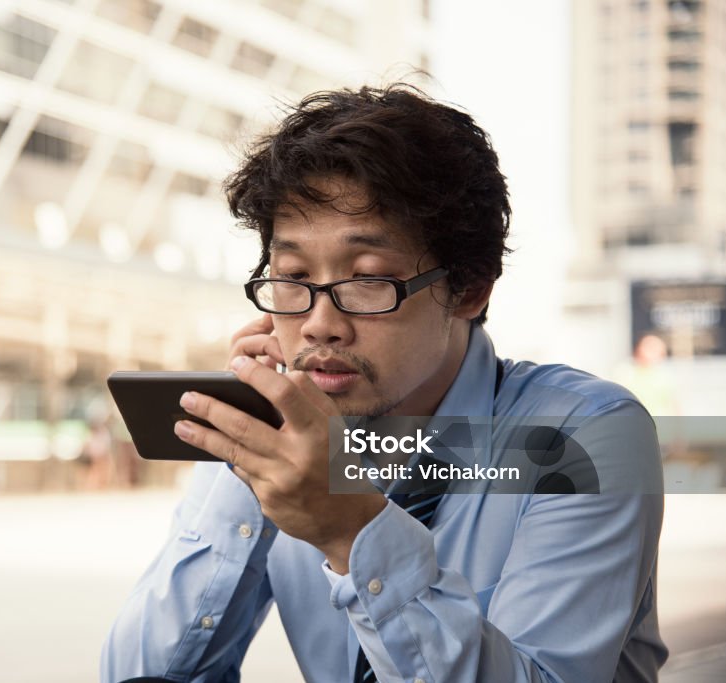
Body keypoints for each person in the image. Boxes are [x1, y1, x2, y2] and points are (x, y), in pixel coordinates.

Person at [101, 84, 665, 682]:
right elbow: (143, 674)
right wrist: (250, 461)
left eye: (368, 279)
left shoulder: (587, 439)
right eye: (292, 276)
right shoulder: (292, 440)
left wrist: (352, 529)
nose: (319, 324)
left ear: (470, 287)